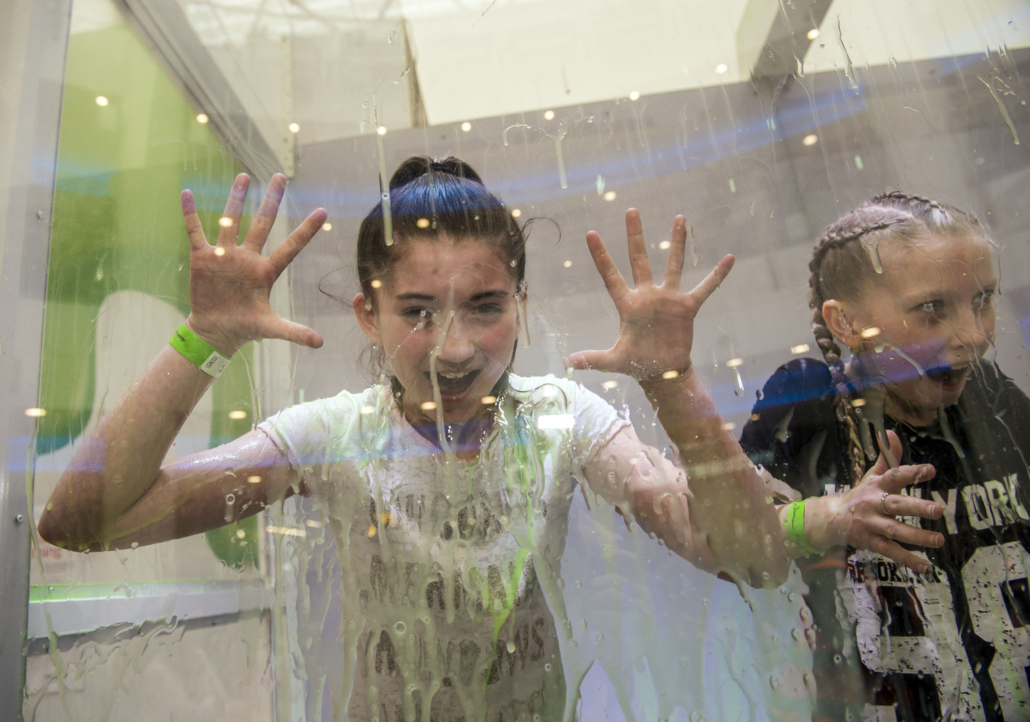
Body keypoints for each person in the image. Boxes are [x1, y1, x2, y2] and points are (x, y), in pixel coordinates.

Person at [36, 157, 939, 722]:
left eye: (484, 306)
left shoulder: (561, 420)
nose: (455, 348)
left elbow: (746, 557)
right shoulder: (330, 435)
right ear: (367, 314)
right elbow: (81, 522)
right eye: (416, 312)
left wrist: (673, 382)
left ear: (522, 304)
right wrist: (206, 339)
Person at [738, 192, 1030, 721]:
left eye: (983, 299)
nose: (974, 336)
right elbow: (729, 543)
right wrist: (829, 516)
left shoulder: (993, 399)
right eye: (932, 309)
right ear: (847, 323)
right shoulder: (807, 406)